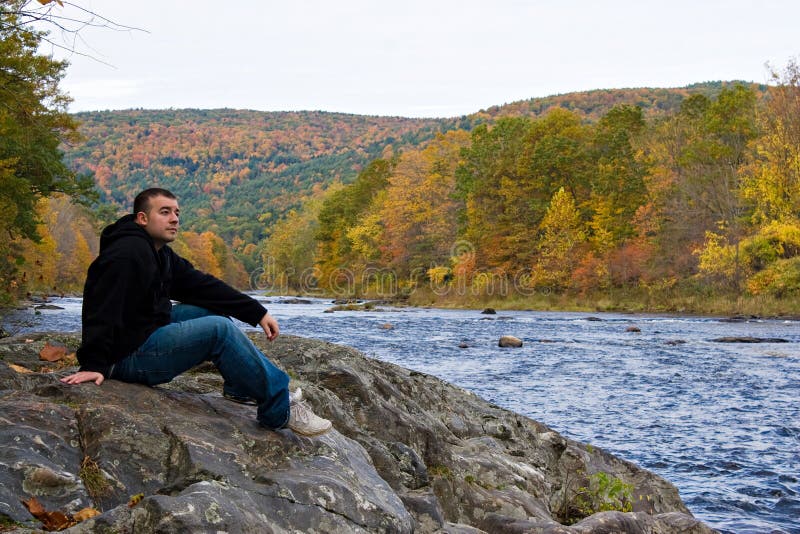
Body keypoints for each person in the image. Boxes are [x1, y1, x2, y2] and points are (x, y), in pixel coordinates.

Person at [60, 188, 331, 436]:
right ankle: (279, 408)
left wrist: (256, 312)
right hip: (123, 357)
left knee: (207, 311)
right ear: (142, 218)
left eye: (177, 213)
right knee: (218, 330)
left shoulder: (159, 253)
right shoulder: (126, 254)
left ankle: (240, 387)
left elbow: (201, 285)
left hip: (142, 333)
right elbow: (101, 306)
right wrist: (95, 365)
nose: (174, 219)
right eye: (164, 212)